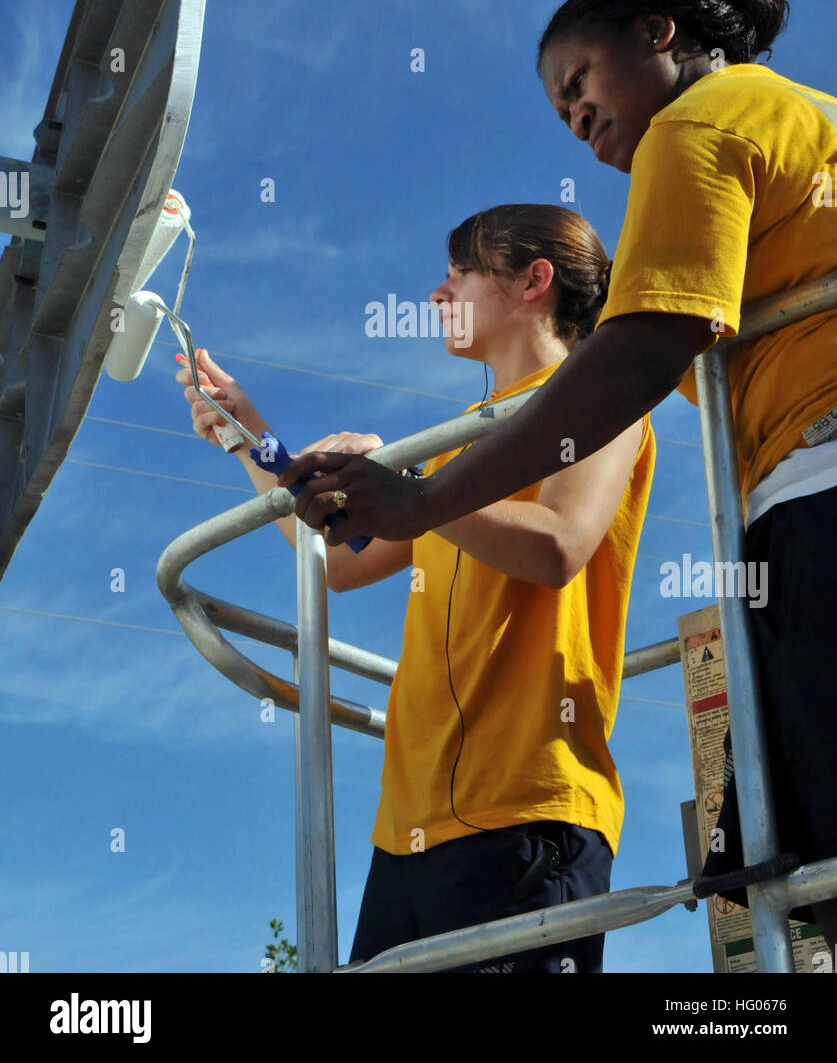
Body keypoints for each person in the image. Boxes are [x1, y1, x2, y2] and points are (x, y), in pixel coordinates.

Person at [282, 0, 837, 948]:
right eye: (558, 110)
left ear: (657, 35)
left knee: (812, 860)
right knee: (799, 863)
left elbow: (640, 357)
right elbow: (342, 564)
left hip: (818, 486)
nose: (576, 118)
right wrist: (268, 449)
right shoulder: (801, 115)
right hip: (419, 818)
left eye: (580, 82)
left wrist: (418, 497)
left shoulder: (700, 125)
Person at [175, 204, 655, 972]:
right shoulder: (459, 440)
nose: (436, 294)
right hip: (408, 827)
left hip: (525, 808)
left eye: (459, 272)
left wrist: (409, 479)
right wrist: (250, 432)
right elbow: (340, 563)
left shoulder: (597, 402)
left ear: (534, 281)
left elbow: (560, 547)